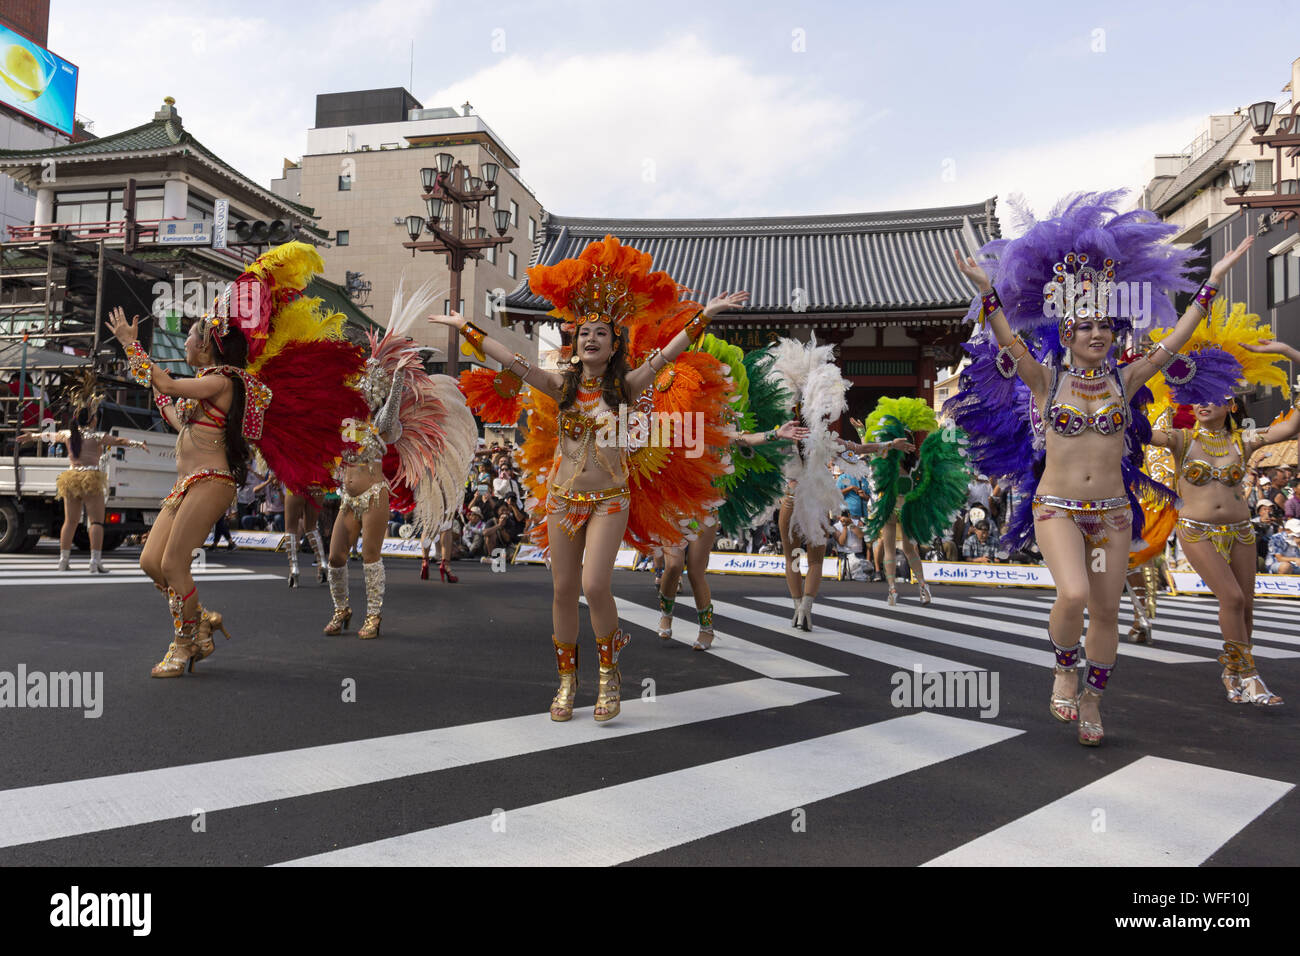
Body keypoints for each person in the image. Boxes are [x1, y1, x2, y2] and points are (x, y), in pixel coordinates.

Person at [950, 190, 1251, 745]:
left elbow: (1179, 335)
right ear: (1068, 334)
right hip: (1056, 507)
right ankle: (1065, 667)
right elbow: (1008, 340)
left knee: (1108, 611)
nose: (1097, 334)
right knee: (1074, 596)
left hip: (1112, 512)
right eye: (1085, 326)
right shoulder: (1046, 381)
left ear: (1114, 336)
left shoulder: (1126, 381)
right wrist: (987, 292)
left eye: (1105, 327)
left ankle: (1093, 701)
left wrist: (1215, 280)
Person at [445, 235, 737, 721]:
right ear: (575, 345)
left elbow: (668, 351)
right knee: (562, 591)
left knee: (595, 585)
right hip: (562, 501)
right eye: (584, 334)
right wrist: (466, 328)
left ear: (614, 342)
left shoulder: (627, 386)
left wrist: (707, 314)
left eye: (602, 332)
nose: (592, 338)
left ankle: (609, 676)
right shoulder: (559, 386)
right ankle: (566, 682)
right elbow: (512, 361)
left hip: (610, 501)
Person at [109, 242, 369, 677]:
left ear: (208, 345)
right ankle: (202, 619)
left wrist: (133, 349)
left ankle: (185, 643)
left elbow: (172, 388)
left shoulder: (225, 379)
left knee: (174, 563)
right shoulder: (206, 384)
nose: (187, 341)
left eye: (191, 335)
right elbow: (179, 417)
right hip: (186, 482)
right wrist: (160, 391)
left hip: (212, 480)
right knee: (151, 562)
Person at [325, 280, 477, 639]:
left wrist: (395, 386)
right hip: (346, 496)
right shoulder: (341, 417)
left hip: (374, 494)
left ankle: (373, 617)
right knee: (335, 559)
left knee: (371, 557)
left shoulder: (382, 422)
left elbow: (390, 424)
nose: (361, 388)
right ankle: (342, 609)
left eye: (367, 385)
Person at [17, 372, 147, 573]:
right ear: (92, 420)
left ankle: (63, 560)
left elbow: (48, 435)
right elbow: (120, 441)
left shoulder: (69, 434)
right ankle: (95, 562)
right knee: (95, 521)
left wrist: (31, 436)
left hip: (72, 478)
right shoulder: (97, 436)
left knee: (70, 522)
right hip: (91, 478)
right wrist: (140, 444)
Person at [847, 397, 968, 607]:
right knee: (898, 548)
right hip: (895, 509)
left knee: (901, 548)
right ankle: (905, 588)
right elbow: (869, 450)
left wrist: (862, 431)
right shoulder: (897, 462)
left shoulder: (899, 463)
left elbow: (868, 450)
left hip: (898, 509)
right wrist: (863, 430)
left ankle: (909, 587)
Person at [284, 486, 327, 587]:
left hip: (297, 485)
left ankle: (293, 567)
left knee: (290, 528)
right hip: (317, 486)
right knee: (312, 527)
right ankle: (322, 563)